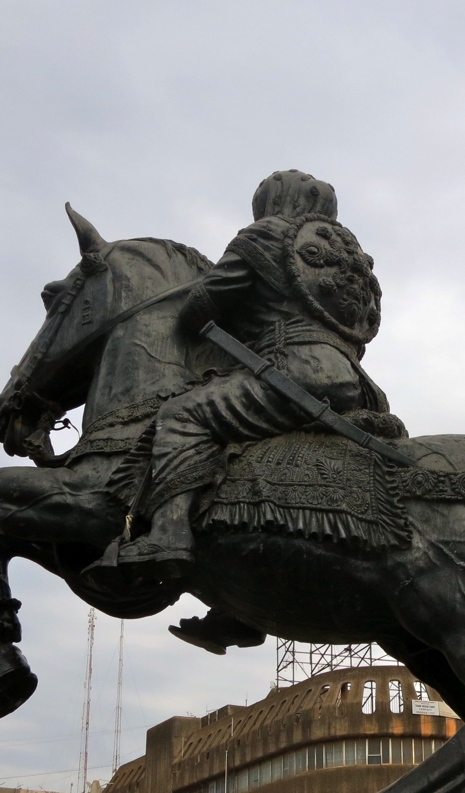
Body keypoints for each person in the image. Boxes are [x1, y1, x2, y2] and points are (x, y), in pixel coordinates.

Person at [107, 170, 396, 584]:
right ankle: (237, 599)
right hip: (357, 385)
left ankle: (169, 534)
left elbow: (202, 308)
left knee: (183, 416)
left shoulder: (266, 235)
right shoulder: (355, 261)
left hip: (293, 373)